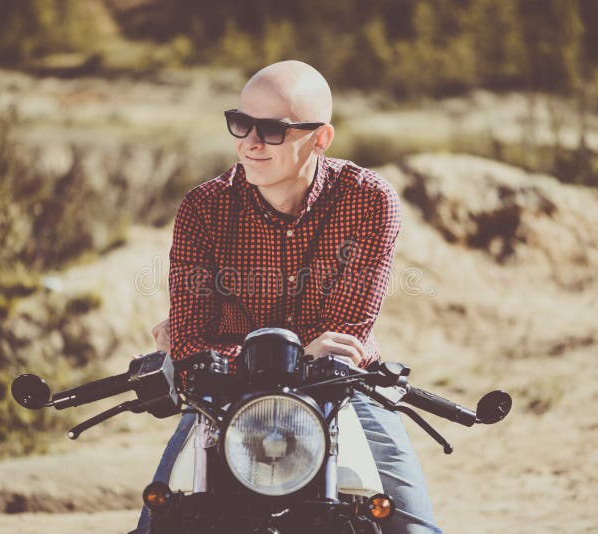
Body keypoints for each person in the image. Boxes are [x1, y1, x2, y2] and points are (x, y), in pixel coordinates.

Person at [135, 60, 442, 534]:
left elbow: (345, 334)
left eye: (273, 129)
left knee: (414, 528)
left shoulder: (368, 199)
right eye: (241, 123)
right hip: (226, 393)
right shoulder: (203, 208)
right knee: (159, 524)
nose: (250, 142)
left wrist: (218, 348)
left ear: (320, 138)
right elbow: (193, 339)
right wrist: (217, 352)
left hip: (338, 388)